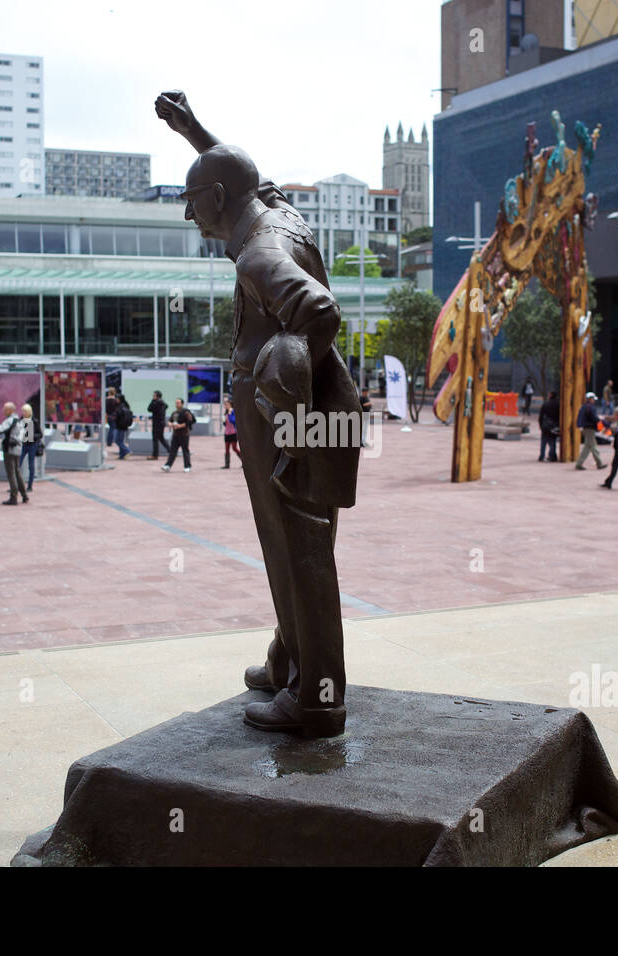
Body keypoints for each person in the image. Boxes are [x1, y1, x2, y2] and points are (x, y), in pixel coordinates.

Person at [157, 87, 361, 737]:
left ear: (216, 199)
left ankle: (318, 697)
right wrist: (195, 134)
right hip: (312, 410)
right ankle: (290, 660)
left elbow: (319, 313)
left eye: (193, 203)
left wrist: (282, 375)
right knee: (294, 541)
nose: (191, 217)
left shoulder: (258, 251)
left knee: (298, 547)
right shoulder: (276, 213)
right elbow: (247, 174)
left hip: (292, 419)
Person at [0, 401, 26, 504]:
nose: (3, 411)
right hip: (17, 449)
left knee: (11, 473)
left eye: (5, 409)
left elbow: (0, 429)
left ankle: (13, 497)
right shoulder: (19, 420)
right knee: (17, 472)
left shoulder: (10, 420)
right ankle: (24, 495)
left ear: (11, 410)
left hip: (9, 449)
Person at [161, 398, 195, 472]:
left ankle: (187, 466)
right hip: (175, 434)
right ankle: (168, 465)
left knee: (185, 450)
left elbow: (190, 421)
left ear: (182, 404)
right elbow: (170, 421)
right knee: (173, 450)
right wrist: (170, 424)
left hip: (184, 434)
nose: (177, 404)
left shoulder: (186, 412)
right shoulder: (174, 413)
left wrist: (180, 425)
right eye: (176, 403)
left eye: (179, 403)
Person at [575, 391, 603, 470]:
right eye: (593, 399)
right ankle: (580, 463)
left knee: (591, 446)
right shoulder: (590, 407)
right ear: (590, 399)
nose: (594, 400)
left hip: (586, 428)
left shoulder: (585, 406)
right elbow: (594, 418)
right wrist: (601, 421)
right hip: (590, 428)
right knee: (589, 446)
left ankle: (599, 463)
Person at [106, 388, 132, 460]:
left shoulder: (121, 406)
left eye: (117, 399)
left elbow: (119, 415)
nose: (116, 400)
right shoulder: (124, 405)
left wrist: (114, 417)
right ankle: (122, 455)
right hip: (123, 426)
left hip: (120, 426)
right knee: (120, 440)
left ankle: (127, 451)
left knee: (118, 441)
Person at [19, 403, 39, 492]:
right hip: (23, 444)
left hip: (32, 445)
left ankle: (30, 486)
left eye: (25, 411)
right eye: (22, 411)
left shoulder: (34, 421)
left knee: (31, 465)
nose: (23, 413)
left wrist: (32, 436)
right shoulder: (21, 421)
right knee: (17, 464)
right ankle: (16, 485)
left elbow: (40, 434)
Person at [537, 390, 560, 462]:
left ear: (550, 395)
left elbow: (541, 416)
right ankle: (552, 456)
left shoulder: (546, 404)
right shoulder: (559, 404)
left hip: (546, 424)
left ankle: (542, 456)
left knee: (543, 441)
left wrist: (541, 425)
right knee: (552, 441)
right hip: (554, 425)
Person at [147, 390, 169, 460]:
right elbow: (167, 406)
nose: (153, 396)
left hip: (157, 423)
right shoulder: (163, 402)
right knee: (161, 438)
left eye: (154, 395)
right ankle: (171, 451)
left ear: (157, 396)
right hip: (161, 423)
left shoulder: (156, 403)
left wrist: (152, 400)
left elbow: (149, 408)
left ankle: (155, 455)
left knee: (155, 439)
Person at [223, 397, 241, 468]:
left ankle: (244, 461)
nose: (226, 406)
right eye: (225, 405)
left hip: (233, 433)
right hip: (227, 433)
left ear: (230, 405)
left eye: (227, 405)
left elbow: (233, 421)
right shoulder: (226, 412)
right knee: (227, 449)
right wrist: (224, 422)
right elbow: (225, 424)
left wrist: (230, 414)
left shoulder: (233, 412)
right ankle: (227, 464)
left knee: (234, 448)